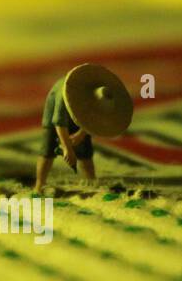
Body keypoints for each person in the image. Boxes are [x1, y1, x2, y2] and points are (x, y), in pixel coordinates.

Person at [35, 63, 133, 191]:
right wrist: (67, 148)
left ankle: (91, 180)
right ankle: (39, 184)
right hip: (53, 122)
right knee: (47, 151)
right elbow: (59, 123)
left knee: (85, 152)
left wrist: (80, 134)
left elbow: (91, 121)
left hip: (81, 119)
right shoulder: (63, 96)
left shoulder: (95, 102)